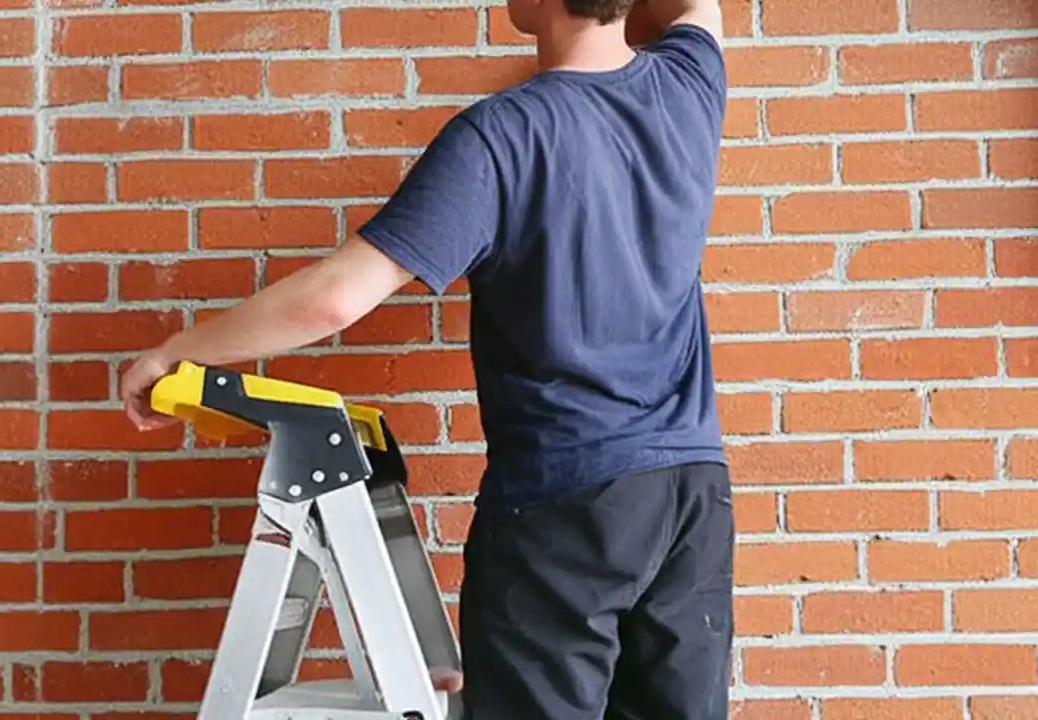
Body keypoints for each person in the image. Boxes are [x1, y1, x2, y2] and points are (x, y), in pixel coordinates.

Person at [120, 0, 731, 717]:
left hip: (563, 505)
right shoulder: (691, 86)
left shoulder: (502, 137)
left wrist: (177, 351)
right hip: (693, 495)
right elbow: (699, 8)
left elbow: (336, 300)